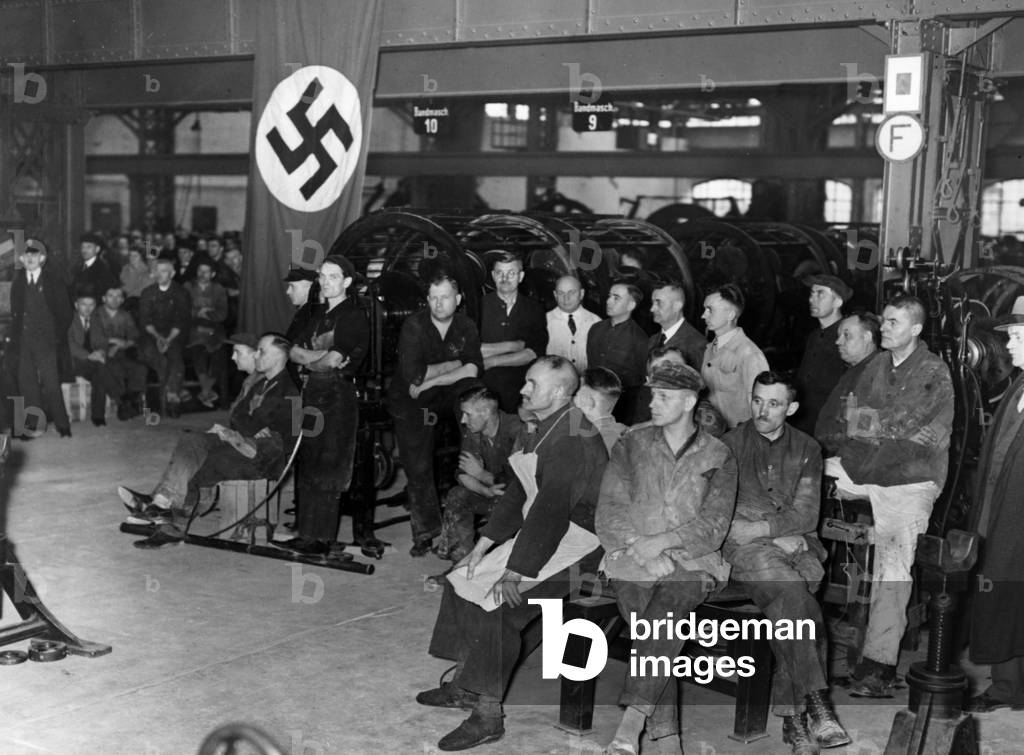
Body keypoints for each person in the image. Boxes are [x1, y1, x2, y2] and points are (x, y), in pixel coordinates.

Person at [418, 356, 608, 752]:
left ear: (558, 392)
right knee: (461, 577)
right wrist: (482, 547)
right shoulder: (543, 428)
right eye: (525, 381)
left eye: (532, 384)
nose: (522, 390)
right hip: (546, 533)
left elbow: (550, 513)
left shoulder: (573, 436)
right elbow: (520, 494)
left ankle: (488, 716)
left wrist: (516, 570)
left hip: (581, 547)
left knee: (498, 602)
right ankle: (467, 686)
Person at [595, 361, 737, 755]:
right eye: (652, 395)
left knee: (659, 616)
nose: (653, 404)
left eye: (664, 397)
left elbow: (715, 525)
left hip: (694, 562)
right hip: (630, 555)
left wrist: (663, 544)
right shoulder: (632, 444)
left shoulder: (719, 454)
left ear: (690, 401)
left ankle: (631, 725)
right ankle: (667, 740)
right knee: (656, 625)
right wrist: (642, 547)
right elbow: (608, 509)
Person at [823, 295, 954, 696]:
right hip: (868, 469)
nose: (884, 328)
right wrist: (886, 428)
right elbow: (854, 419)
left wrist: (883, 426)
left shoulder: (934, 370)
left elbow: (901, 421)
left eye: (893, 323)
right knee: (804, 474)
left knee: (893, 569)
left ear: (915, 329)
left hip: (911, 481)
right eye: (883, 321)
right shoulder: (876, 365)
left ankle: (878, 667)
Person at [722, 372, 849, 754]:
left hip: (798, 547)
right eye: (758, 400)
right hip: (747, 550)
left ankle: (794, 720)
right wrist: (771, 534)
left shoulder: (808, 448)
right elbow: (720, 513)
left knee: (791, 606)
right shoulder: (727, 446)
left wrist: (767, 528)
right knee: (797, 598)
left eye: (774, 404)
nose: (763, 410)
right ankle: (817, 704)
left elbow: (807, 514)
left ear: (791, 408)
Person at [119, 333, 300, 548]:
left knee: (206, 463)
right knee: (192, 441)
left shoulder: (289, 390)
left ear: (279, 356)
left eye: (262, 351)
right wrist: (243, 428)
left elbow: (271, 430)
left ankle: (173, 526)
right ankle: (161, 504)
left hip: (265, 454)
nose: (257, 355)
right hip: (245, 442)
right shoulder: (264, 384)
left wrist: (251, 429)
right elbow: (242, 419)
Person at [387, 272, 483, 556]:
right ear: (427, 300)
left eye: (445, 297)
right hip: (411, 399)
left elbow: (473, 369)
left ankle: (464, 529)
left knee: (475, 412)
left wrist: (433, 377)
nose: (439, 304)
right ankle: (425, 532)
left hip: (443, 392)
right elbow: (414, 375)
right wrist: (454, 364)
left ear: (458, 299)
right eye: (434, 298)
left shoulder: (465, 325)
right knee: (417, 464)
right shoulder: (414, 325)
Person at [280, 255, 370, 558]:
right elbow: (291, 351)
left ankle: (321, 539)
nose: (326, 282)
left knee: (330, 467)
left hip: (338, 398)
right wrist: (315, 358)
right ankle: (305, 534)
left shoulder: (354, 316)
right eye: (323, 276)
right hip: (310, 395)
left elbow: (334, 360)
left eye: (333, 277)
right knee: (308, 462)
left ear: (346, 282)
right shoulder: (316, 315)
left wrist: (310, 357)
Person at [966, 296, 1024, 713]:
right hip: (1000, 512)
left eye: (1019, 336)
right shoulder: (1018, 388)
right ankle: (1006, 686)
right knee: (1003, 598)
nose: (1009, 345)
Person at [433, 386, 521, 564]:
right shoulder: (473, 432)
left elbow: (516, 482)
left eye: (468, 414)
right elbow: (462, 473)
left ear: (486, 412)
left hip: (520, 500)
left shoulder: (517, 429)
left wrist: (481, 474)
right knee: (457, 495)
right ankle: (461, 564)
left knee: (504, 506)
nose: (464, 420)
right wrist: (484, 489)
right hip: (493, 494)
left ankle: (501, 565)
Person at [9, 239, 73, 439]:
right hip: (24, 342)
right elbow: (16, 314)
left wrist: (56, 336)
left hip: (47, 342)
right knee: (27, 383)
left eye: (35, 255)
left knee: (51, 383)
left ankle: (63, 425)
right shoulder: (18, 282)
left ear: (42, 259)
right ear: (21, 258)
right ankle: (33, 426)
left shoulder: (54, 281)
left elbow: (65, 313)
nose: (30, 258)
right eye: (26, 255)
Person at [480, 252, 548, 413]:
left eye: (511, 273)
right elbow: (473, 349)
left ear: (521, 276)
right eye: (500, 273)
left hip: (519, 392)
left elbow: (533, 353)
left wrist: (491, 361)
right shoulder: (478, 306)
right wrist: (515, 345)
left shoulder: (534, 309)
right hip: (482, 389)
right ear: (493, 276)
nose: (505, 278)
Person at [701, 283, 769, 428]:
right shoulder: (710, 350)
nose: (703, 315)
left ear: (730, 315)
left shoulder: (749, 354)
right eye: (704, 310)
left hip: (737, 438)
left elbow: (761, 409)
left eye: (710, 310)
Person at [792, 274, 852, 435]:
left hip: (828, 425)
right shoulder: (814, 336)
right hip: (805, 422)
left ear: (838, 302)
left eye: (820, 294)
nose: (812, 299)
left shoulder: (848, 337)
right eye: (812, 293)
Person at [815, 310, 881, 452]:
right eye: (839, 336)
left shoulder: (875, 375)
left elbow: (864, 434)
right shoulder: (856, 370)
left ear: (867, 337)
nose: (838, 342)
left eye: (847, 336)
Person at [586, 281, 649, 422]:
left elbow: (641, 383)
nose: (608, 301)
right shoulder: (595, 329)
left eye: (616, 298)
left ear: (631, 305)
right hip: (591, 402)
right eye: (609, 296)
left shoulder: (640, 339)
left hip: (621, 410)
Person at [67, 290, 130, 426]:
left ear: (95, 305)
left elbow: (100, 340)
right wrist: (89, 355)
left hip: (93, 361)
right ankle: (121, 401)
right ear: (76, 305)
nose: (88, 308)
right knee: (101, 367)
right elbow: (69, 343)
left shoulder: (95, 319)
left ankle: (98, 417)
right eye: (84, 304)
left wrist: (101, 352)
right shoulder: (68, 319)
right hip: (74, 361)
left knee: (99, 372)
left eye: (91, 305)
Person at [96, 286, 148, 419]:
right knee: (115, 369)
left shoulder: (125, 315)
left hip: (120, 353)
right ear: (103, 298)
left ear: (122, 299)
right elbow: (94, 338)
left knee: (139, 369)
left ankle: (129, 401)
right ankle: (121, 404)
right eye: (110, 296)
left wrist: (123, 344)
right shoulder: (96, 314)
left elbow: (134, 335)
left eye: (118, 296)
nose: (114, 300)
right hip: (100, 354)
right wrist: (113, 341)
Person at [184, 258, 228, 408]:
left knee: (219, 352)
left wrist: (208, 314)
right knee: (198, 350)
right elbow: (183, 310)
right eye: (200, 271)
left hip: (214, 327)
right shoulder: (188, 287)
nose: (202, 274)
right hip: (193, 326)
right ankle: (207, 391)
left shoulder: (219, 289)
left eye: (206, 271)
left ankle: (205, 391)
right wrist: (198, 312)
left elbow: (222, 313)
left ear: (213, 273)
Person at [546, 275, 600, 372]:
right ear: (555, 295)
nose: (566, 298)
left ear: (582, 294)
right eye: (561, 293)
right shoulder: (544, 321)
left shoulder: (596, 322)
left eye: (572, 292)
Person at [648, 282, 706, 370]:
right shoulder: (652, 340)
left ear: (677, 306)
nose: (652, 309)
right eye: (652, 303)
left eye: (659, 303)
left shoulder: (697, 345)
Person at [572, 366, 626, 452]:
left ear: (589, 402)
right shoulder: (624, 432)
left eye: (575, 394)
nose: (571, 400)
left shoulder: (586, 443)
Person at [71, 233, 118, 298]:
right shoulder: (78, 266)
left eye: (88, 247)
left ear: (97, 249)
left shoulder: (103, 268)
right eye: (82, 247)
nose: (84, 250)